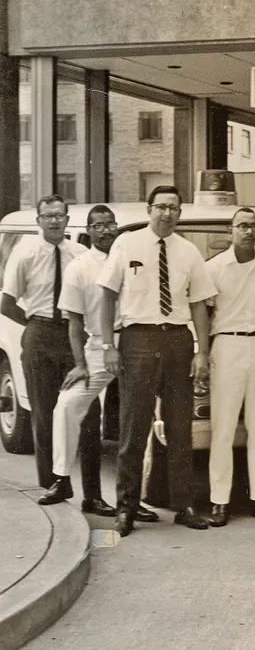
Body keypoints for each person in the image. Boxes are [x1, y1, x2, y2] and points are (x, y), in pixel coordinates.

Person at [98, 185, 217, 536]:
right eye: (161, 207)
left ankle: (184, 506)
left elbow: (198, 304)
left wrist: (202, 351)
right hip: (138, 338)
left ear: (180, 213)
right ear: (149, 210)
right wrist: (108, 345)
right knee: (134, 426)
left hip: (178, 340)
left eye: (174, 208)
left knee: (180, 429)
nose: (168, 214)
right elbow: (107, 297)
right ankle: (127, 507)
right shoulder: (126, 244)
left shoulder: (189, 252)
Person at [37, 205, 159, 522]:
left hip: (135, 342)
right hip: (97, 347)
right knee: (66, 405)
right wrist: (80, 364)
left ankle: (133, 499)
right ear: (88, 230)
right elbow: (74, 323)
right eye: (98, 225)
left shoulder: (134, 259)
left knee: (138, 419)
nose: (106, 230)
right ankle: (62, 479)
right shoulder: (79, 267)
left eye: (110, 224)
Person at [1, 195, 87, 490]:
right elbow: (7, 302)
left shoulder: (79, 253)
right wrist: (34, 324)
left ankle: (92, 492)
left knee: (82, 411)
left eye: (59, 215)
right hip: (40, 333)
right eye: (47, 216)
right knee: (44, 412)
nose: (54, 221)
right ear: (38, 221)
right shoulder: (25, 254)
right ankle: (51, 486)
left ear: (67, 219)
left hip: (74, 333)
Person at [205, 208, 255, 527]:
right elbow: (206, 313)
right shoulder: (213, 268)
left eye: (253, 226)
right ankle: (219, 501)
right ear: (231, 230)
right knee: (223, 427)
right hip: (227, 344)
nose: (248, 232)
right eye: (242, 226)